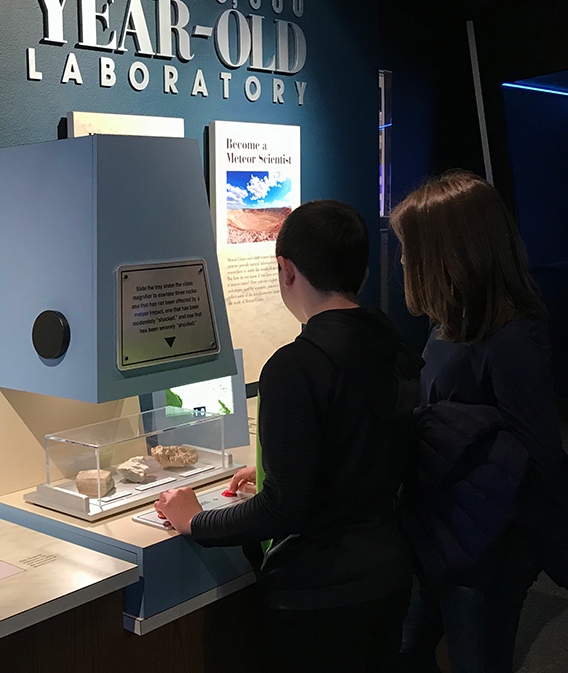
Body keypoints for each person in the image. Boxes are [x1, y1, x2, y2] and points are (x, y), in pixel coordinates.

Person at [156, 199, 422, 673]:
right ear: (361, 272)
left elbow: (283, 508)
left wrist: (195, 520)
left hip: (321, 594)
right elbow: (362, 449)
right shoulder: (391, 344)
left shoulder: (294, 368)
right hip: (388, 572)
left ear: (286, 269)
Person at [390, 171, 568, 673]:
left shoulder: (511, 341)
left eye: (411, 249)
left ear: (445, 256)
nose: (403, 260)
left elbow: (540, 458)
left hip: (486, 552)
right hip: (443, 533)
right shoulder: (453, 322)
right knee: (406, 648)